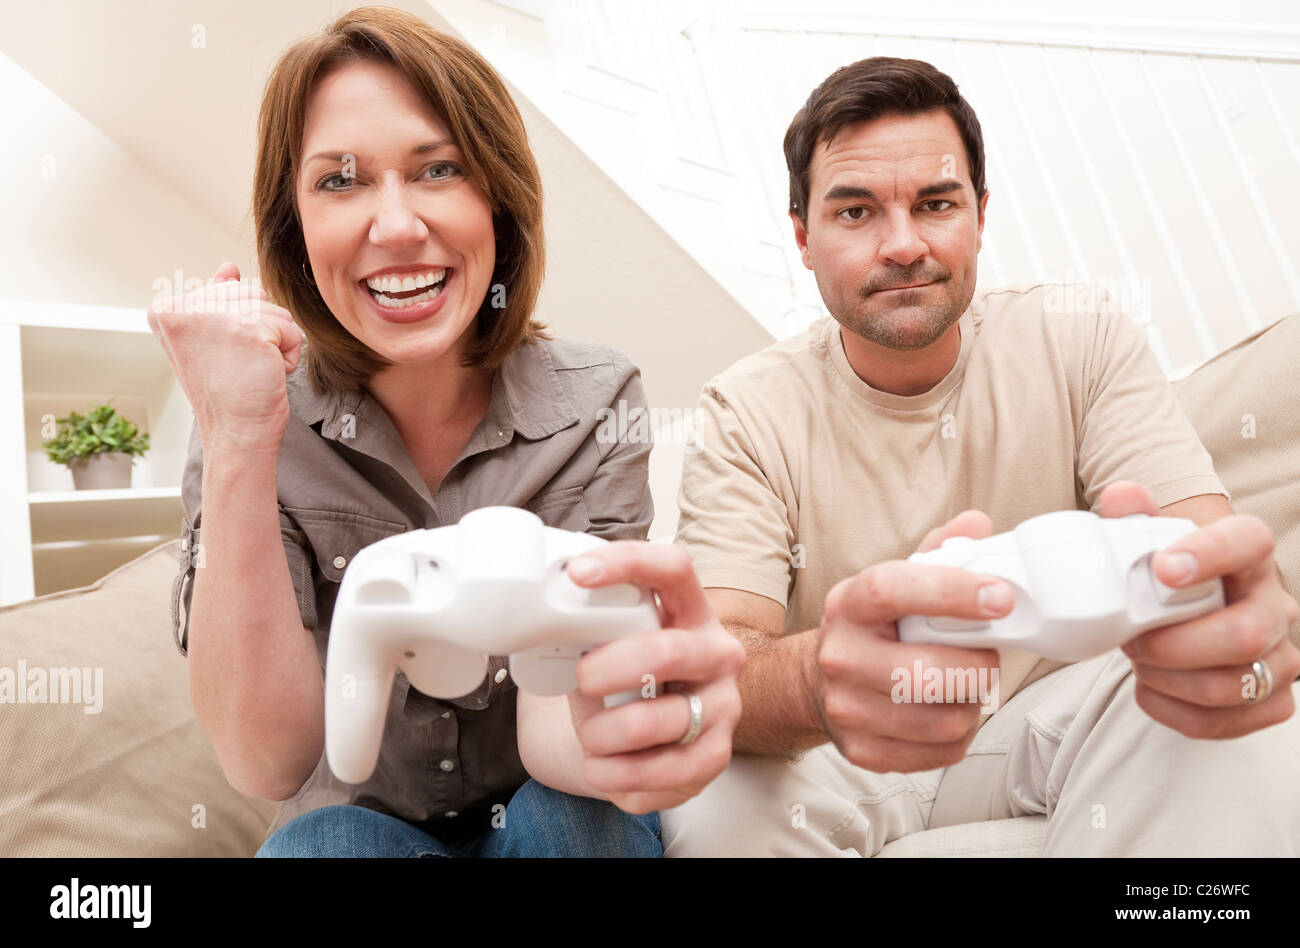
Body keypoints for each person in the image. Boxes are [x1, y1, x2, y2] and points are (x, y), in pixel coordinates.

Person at [659, 56, 1300, 856]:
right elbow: (722, 661)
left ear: (980, 215)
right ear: (803, 239)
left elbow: (1206, 558)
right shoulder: (745, 411)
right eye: (855, 212)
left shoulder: (1080, 338)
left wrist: (1231, 619)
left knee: (1219, 712)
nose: (903, 246)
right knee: (708, 801)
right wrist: (821, 676)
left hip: (1049, 719)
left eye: (936, 204)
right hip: (847, 748)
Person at [151, 6, 742, 858]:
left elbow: (553, 730)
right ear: (295, 226)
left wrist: (635, 725)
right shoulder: (248, 410)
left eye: (439, 169)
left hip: (545, 797)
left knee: (574, 824)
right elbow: (266, 760)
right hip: (357, 822)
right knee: (326, 847)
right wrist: (239, 437)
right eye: (339, 182)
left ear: (497, 198)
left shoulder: (596, 400)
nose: (396, 228)